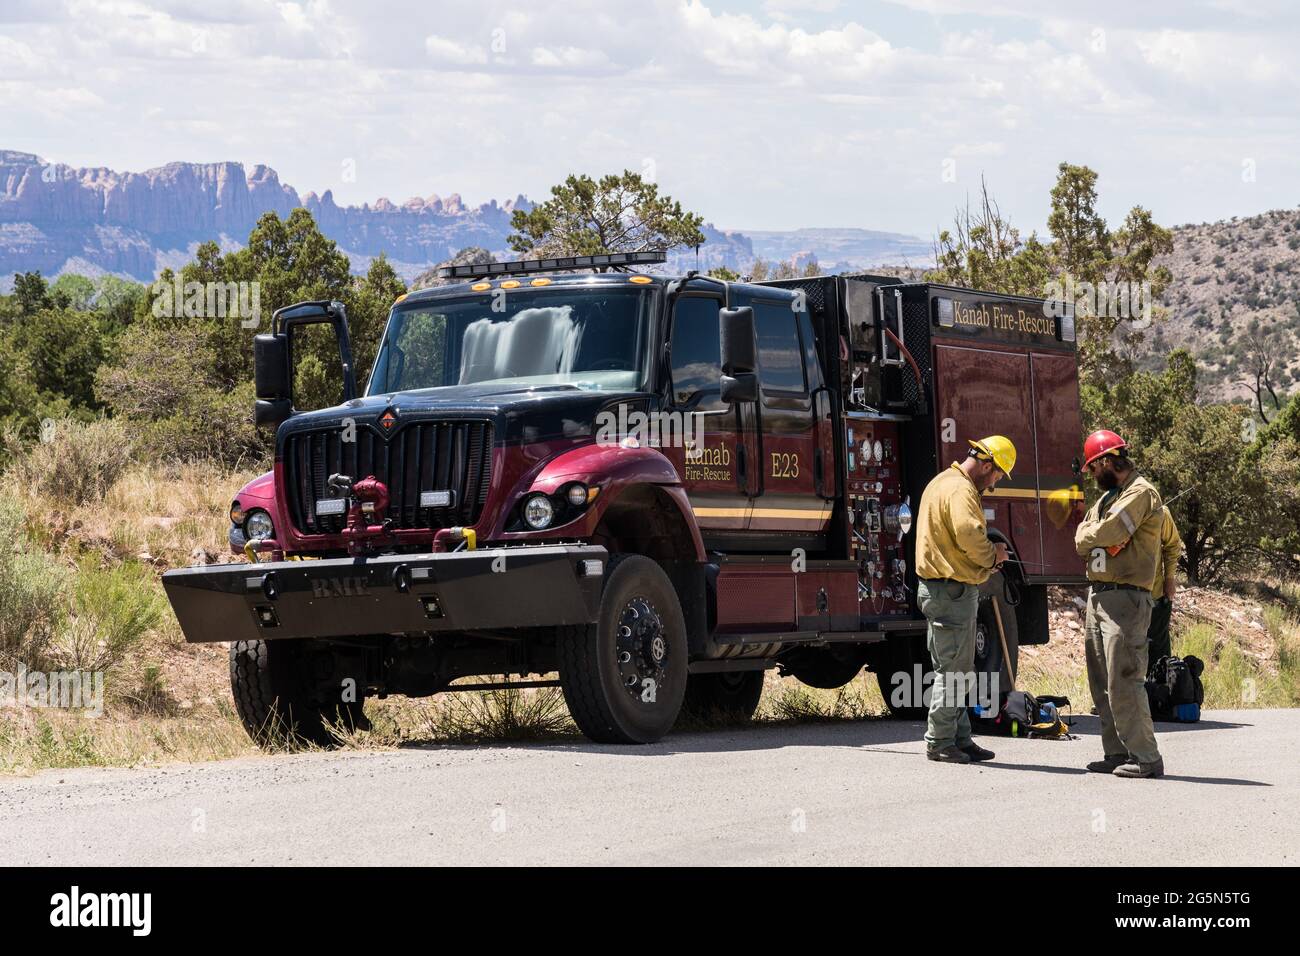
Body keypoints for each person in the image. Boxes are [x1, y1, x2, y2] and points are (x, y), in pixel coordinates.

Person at [913, 436, 1013, 764]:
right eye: (997, 475)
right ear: (986, 465)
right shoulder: (961, 490)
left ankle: (960, 737)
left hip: (941, 589)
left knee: (956, 667)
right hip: (951, 591)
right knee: (953, 671)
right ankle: (940, 741)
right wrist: (993, 555)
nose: (996, 483)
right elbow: (969, 535)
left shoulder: (943, 482)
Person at [1074, 429, 1165, 779]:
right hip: (1100, 595)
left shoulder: (1141, 493)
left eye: (1094, 469)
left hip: (1127, 598)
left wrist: (1089, 535)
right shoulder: (1110, 497)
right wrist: (1089, 535)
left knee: (1125, 678)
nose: (1093, 476)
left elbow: (1105, 534)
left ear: (1107, 461)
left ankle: (1145, 757)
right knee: (1102, 681)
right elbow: (1083, 533)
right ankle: (1116, 752)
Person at [1146, 508, 1183, 674]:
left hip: (1155, 596)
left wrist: (1169, 578)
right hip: (1125, 600)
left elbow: (1173, 544)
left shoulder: (1160, 511)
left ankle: (1160, 695)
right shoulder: (1115, 507)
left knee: (1158, 655)